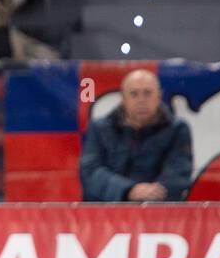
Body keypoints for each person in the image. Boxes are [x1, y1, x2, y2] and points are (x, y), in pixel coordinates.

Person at [79, 69, 193, 202]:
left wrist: (147, 197)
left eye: (148, 93)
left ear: (159, 96)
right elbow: (90, 172)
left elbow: (178, 174)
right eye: (134, 94)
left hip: (158, 213)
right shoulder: (99, 128)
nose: (141, 100)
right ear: (123, 99)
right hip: (106, 214)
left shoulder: (178, 129)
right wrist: (128, 190)